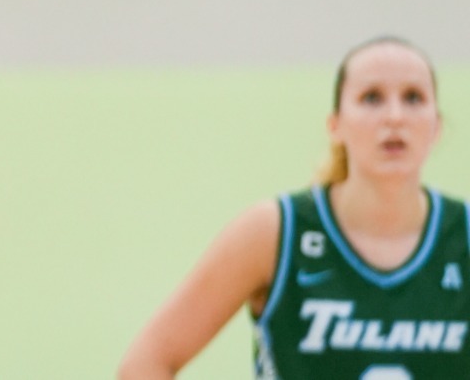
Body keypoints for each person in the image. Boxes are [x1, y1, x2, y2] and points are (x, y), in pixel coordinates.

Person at [119, 36, 467, 378]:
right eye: (371, 97)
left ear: (436, 126)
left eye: (413, 98)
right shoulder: (273, 231)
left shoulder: (462, 233)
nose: (395, 116)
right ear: (335, 126)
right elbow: (145, 363)